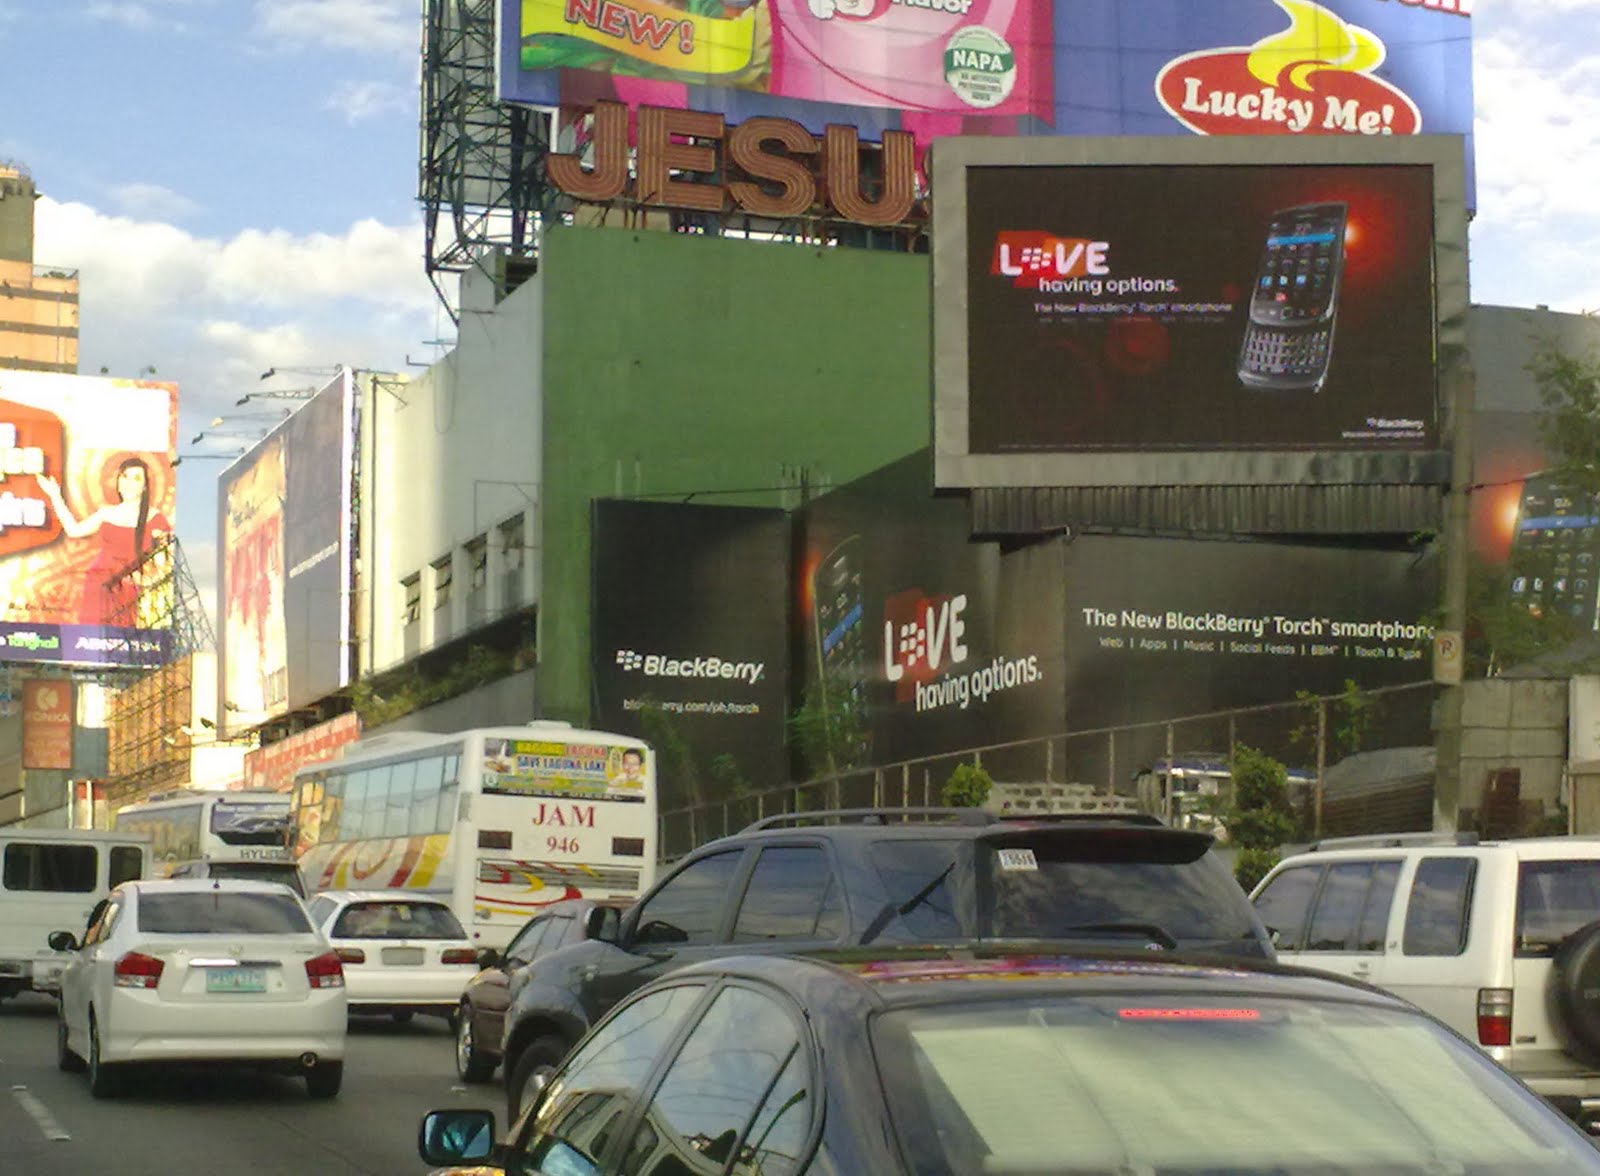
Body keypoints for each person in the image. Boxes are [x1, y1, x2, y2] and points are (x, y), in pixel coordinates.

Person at [37, 456, 170, 626]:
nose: (128, 483)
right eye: (124, 476)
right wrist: (55, 495)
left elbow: (166, 562)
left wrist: (144, 581)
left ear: (144, 487)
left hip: (130, 589)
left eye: (136, 478)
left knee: (126, 642)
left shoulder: (155, 518)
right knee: (90, 641)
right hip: (98, 584)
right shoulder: (106, 513)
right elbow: (74, 530)